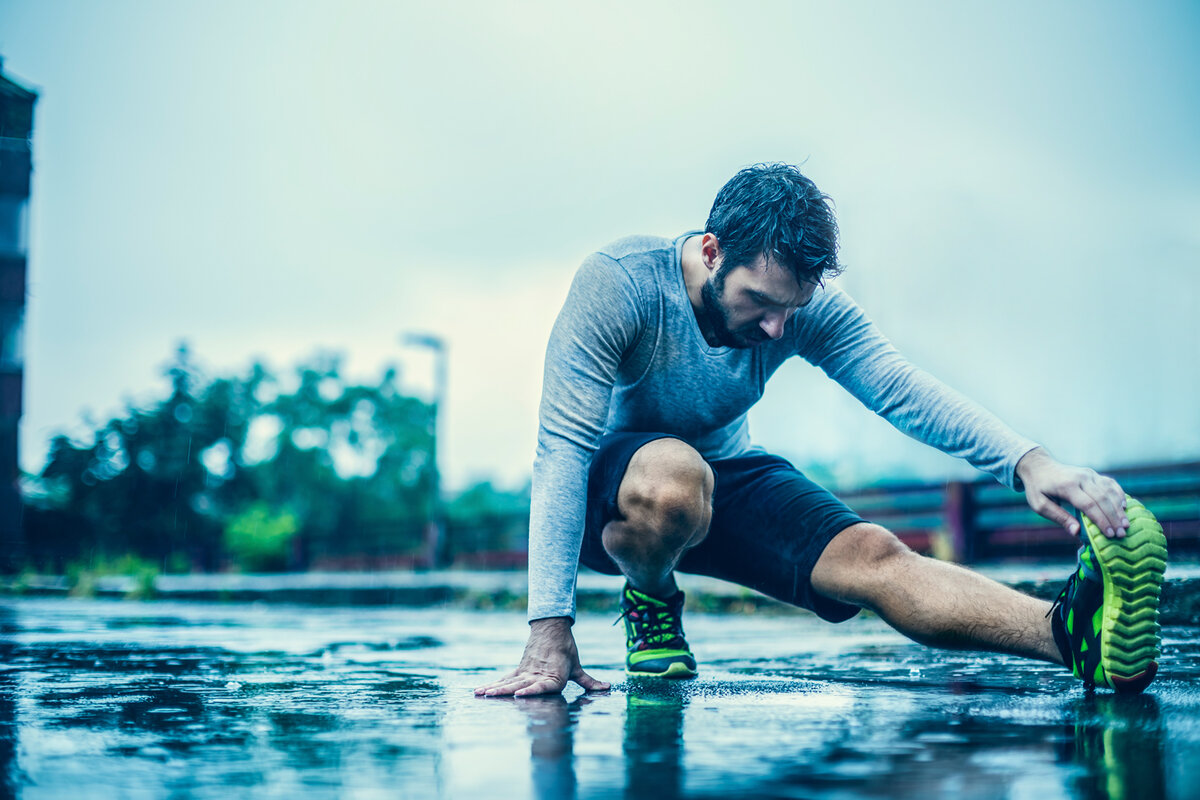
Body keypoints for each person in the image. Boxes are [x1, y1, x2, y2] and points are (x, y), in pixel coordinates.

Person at [474, 163, 1167, 698]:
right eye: (761, 304)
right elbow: (561, 449)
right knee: (672, 475)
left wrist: (1030, 464)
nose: (777, 329)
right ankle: (652, 595)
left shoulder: (798, 305)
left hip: (726, 473)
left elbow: (898, 387)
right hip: (619, 497)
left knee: (874, 554)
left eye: (791, 309)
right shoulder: (620, 284)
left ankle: (1071, 635)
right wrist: (549, 629)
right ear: (712, 251)